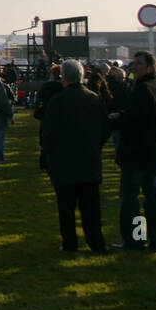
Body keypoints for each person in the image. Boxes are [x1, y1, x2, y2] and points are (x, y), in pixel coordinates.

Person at [41, 59, 109, 253]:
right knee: (91, 208)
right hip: (89, 160)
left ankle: (70, 243)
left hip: (64, 162)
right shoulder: (94, 98)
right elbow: (105, 129)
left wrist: (50, 153)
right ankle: (96, 242)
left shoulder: (58, 101)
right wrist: (95, 146)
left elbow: (49, 133)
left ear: (63, 77)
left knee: (66, 208)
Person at [109, 51, 156, 251]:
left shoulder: (143, 88)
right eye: (133, 63)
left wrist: (118, 118)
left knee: (131, 199)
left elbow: (135, 119)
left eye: (138, 64)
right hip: (154, 151)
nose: (134, 67)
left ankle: (136, 239)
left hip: (137, 153)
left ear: (150, 67)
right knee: (154, 198)